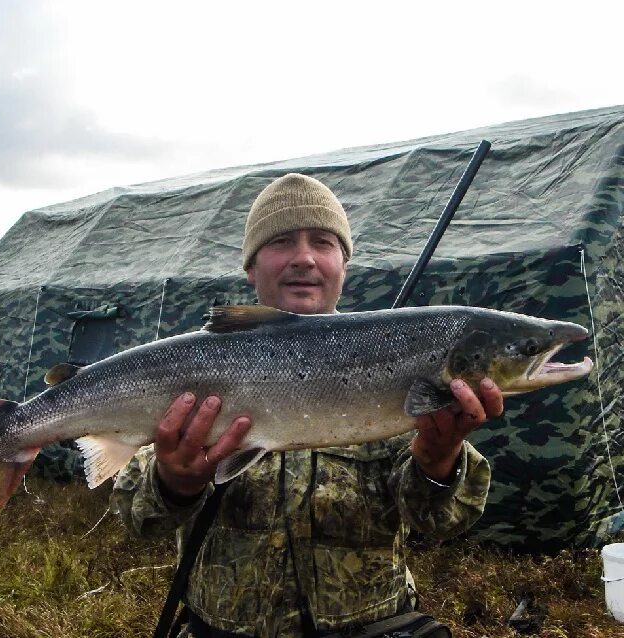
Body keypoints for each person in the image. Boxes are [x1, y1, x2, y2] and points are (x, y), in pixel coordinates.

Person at [112, 173, 504, 638]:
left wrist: (438, 461)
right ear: (250, 269)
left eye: (322, 242)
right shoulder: (194, 365)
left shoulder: (407, 372)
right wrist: (174, 482)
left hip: (372, 628)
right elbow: (141, 521)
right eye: (281, 242)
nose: (304, 257)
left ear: (343, 265)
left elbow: (440, 523)